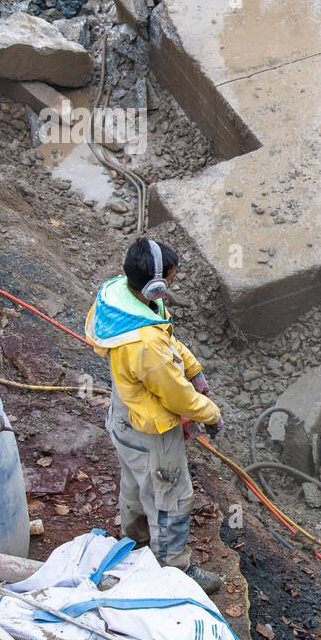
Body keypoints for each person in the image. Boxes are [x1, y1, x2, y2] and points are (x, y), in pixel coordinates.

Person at [85, 238, 224, 593]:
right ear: (156, 284)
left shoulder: (122, 297)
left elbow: (167, 340)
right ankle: (175, 570)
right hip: (152, 428)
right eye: (171, 279)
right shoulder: (145, 344)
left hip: (124, 413)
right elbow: (176, 396)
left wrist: (194, 368)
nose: (172, 286)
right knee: (173, 496)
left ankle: (134, 544)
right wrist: (210, 412)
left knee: (136, 482)